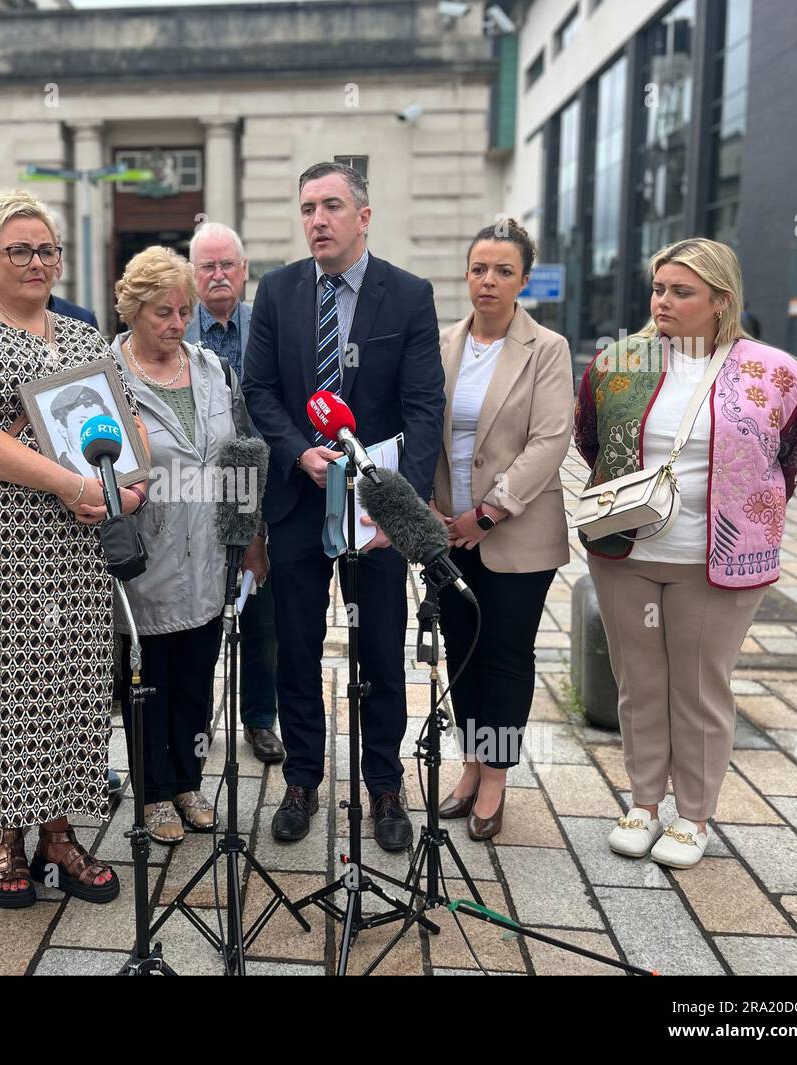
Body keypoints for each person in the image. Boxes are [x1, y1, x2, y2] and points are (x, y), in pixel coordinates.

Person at [0, 188, 149, 909]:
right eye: (18, 249)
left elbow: (129, 426)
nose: (36, 261)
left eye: (46, 248)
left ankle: (59, 831)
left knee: (75, 689)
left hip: (79, 558)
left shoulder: (83, 337)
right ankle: (5, 835)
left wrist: (130, 486)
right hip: (6, 550)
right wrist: (74, 484)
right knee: (8, 690)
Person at [575, 237, 797, 870]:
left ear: (721, 300)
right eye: (658, 288)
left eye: (681, 292)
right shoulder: (616, 364)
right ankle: (642, 802)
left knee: (699, 685)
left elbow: (796, 454)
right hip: (626, 550)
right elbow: (590, 438)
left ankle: (693, 816)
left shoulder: (777, 371)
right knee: (639, 683)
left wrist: (746, 508)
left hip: (718, 561)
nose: (663, 301)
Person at [242, 161, 445, 852]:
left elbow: (424, 407)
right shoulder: (276, 291)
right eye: (307, 208)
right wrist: (300, 450)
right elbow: (259, 389)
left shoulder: (409, 295)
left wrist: (399, 504)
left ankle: (384, 785)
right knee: (295, 649)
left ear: (363, 216)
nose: (317, 220)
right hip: (300, 502)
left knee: (381, 651)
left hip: (375, 510)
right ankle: (301, 779)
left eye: (331, 206)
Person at [109, 245, 263, 844]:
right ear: (132, 311)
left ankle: (188, 783)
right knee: (148, 682)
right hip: (145, 556)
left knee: (198, 675)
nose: (176, 325)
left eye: (183, 311)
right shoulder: (108, 377)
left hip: (208, 555)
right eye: (162, 314)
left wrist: (249, 540)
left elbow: (241, 454)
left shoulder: (212, 369)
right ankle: (151, 794)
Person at [431, 220, 573, 841]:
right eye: (479, 268)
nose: (489, 281)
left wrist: (488, 512)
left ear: (523, 279)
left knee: (507, 656)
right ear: (467, 274)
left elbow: (549, 442)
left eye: (504, 271)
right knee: (461, 655)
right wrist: (429, 510)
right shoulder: (440, 345)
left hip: (514, 533)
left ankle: (495, 776)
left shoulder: (547, 349)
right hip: (446, 532)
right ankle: (468, 767)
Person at [185, 221, 284, 766]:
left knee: (262, 616)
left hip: (262, 490)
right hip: (196, 495)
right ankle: (195, 723)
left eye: (228, 265)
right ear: (193, 274)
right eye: (207, 266)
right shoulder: (177, 329)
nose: (219, 275)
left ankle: (260, 720)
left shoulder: (265, 327)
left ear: (244, 272)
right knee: (198, 615)